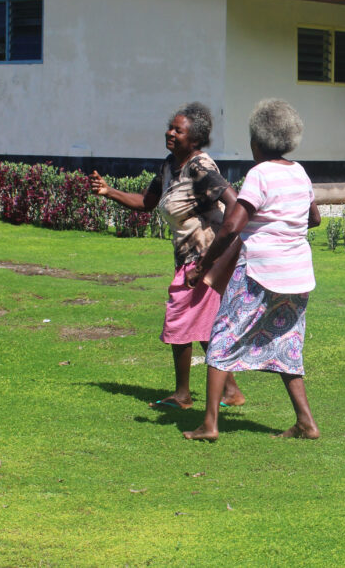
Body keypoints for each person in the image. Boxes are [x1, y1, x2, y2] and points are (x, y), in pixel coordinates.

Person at [89, 102, 245, 409]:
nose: (169, 133)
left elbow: (235, 203)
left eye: (178, 130)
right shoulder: (169, 166)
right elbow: (147, 202)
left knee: (178, 321)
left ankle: (183, 394)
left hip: (204, 258)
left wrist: (209, 259)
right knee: (201, 325)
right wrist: (109, 191)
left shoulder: (201, 167)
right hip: (189, 257)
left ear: (195, 140)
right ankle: (231, 391)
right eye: (170, 127)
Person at [183, 99, 321, 441]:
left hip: (260, 270)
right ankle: (306, 423)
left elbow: (231, 225)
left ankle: (210, 424)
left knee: (221, 339)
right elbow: (314, 218)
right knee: (288, 344)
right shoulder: (299, 171)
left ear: (256, 142)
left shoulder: (260, 174)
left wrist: (204, 263)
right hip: (298, 274)